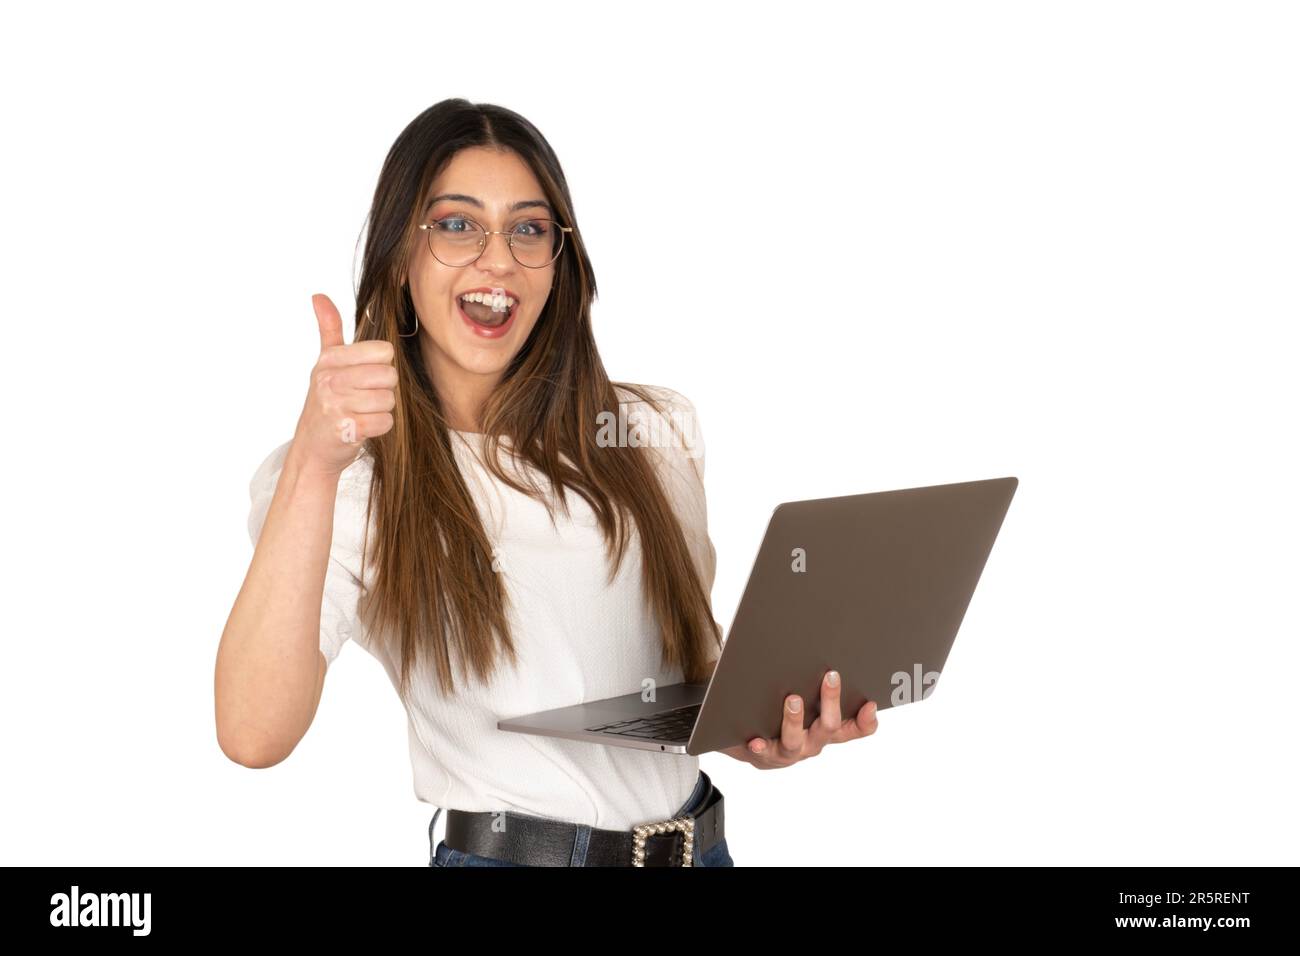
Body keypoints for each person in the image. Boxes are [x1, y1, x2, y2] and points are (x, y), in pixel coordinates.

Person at [215, 99, 879, 867]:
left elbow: (684, 688)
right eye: (458, 225)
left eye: (529, 229)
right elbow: (252, 732)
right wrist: (313, 461)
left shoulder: (648, 433)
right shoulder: (359, 479)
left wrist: (770, 730)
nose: (498, 261)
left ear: (559, 261)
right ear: (401, 256)